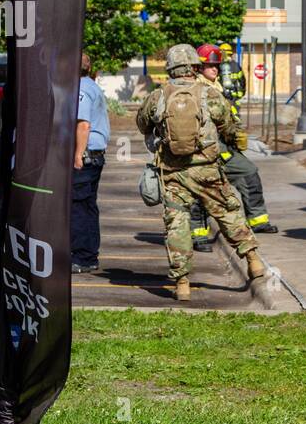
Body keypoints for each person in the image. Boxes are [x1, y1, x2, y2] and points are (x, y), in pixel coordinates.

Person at [137, 44, 266, 301]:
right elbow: (229, 126)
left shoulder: (158, 95)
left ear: (171, 68)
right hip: (207, 169)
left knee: (177, 224)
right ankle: (253, 261)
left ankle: (182, 283)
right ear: (195, 67)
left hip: (173, 172)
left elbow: (142, 123)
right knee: (228, 212)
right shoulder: (209, 93)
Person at [195, 43, 276, 235]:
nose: (215, 68)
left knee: (249, 172)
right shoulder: (198, 90)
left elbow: (228, 117)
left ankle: (258, 221)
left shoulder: (217, 87)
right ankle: (198, 235)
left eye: (217, 65)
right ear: (199, 67)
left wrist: (237, 133)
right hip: (204, 150)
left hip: (223, 148)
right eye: (210, 65)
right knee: (200, 189)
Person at [71, 52, 109, 274]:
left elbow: (83, 124)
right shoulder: (91, 85)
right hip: (94, 155)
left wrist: (77, 155)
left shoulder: (81, 89)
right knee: (87, 206)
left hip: (86, 157)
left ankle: (83, 257)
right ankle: (89, 255)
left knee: (79, 208)